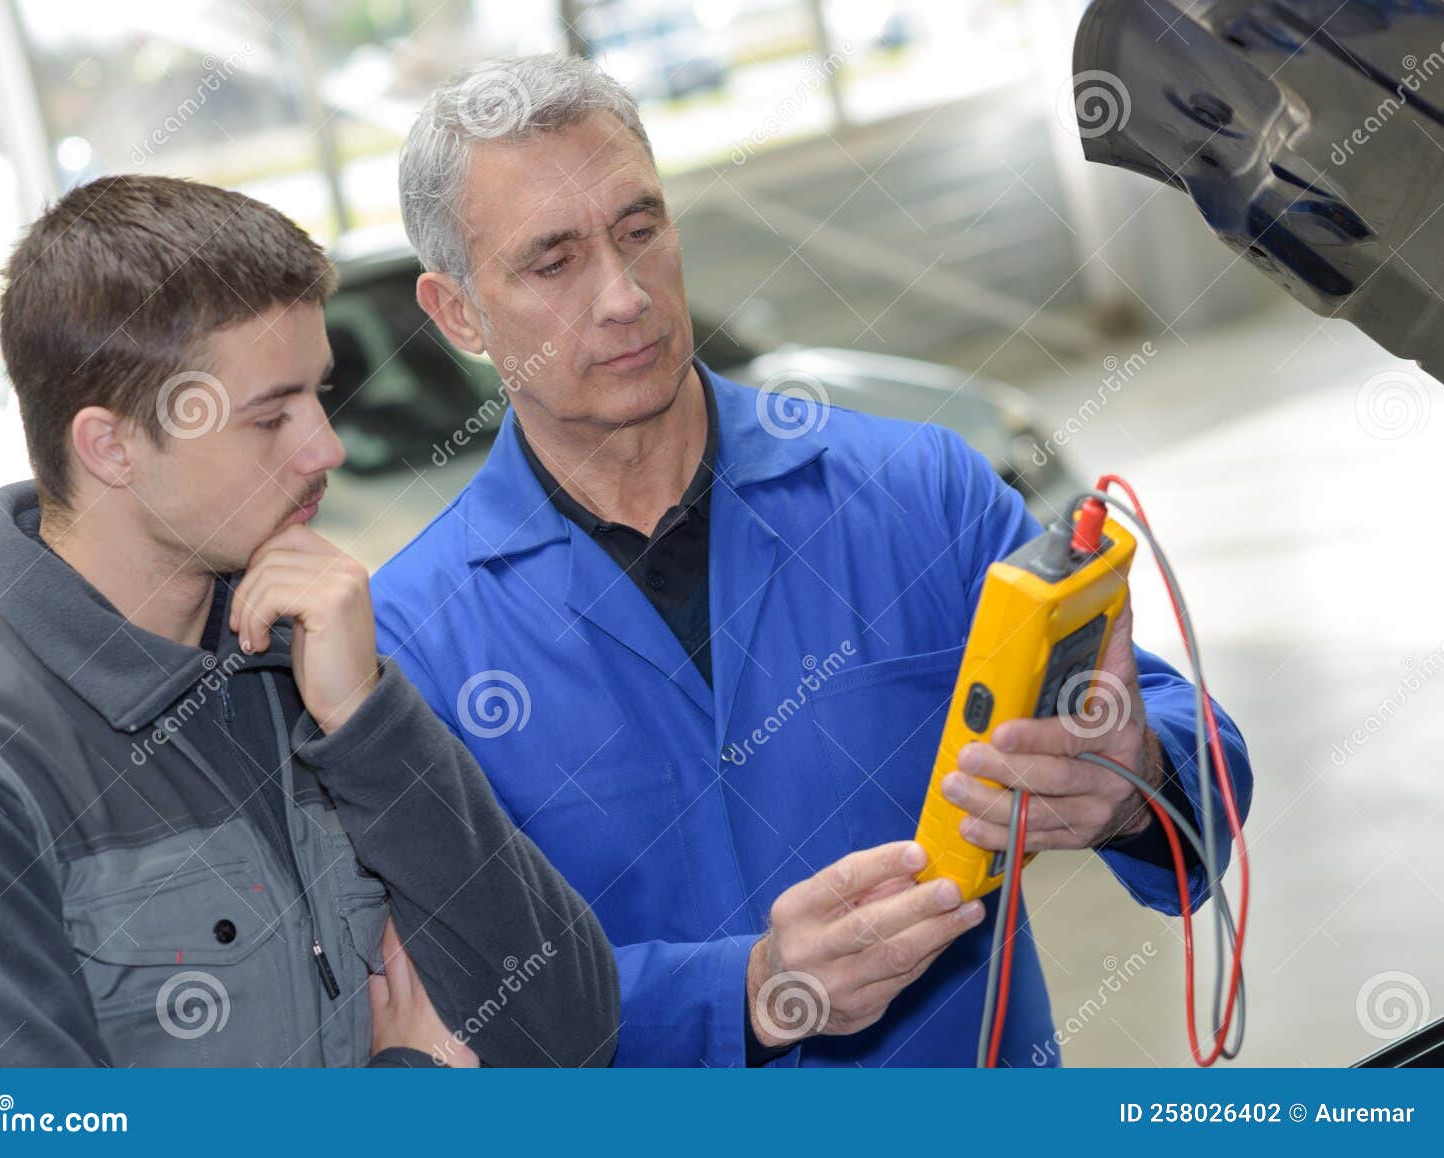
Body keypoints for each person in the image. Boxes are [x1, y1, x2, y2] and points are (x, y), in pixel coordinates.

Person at [369, 53, 1253, 1067]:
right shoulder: (408, 642)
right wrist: (738, 992)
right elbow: (455, 1001)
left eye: (640, 230)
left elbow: (1196, 757)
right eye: (553, 262)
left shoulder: (919, 492)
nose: (623, 295)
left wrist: (1132, 776)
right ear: (458, 315)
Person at [0, 175, 618, 1068]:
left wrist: (372, 725)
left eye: (318, 395)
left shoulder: (317, 665)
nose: (324, 445)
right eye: (270, 416)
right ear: (112, 446)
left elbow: (573, 1034)